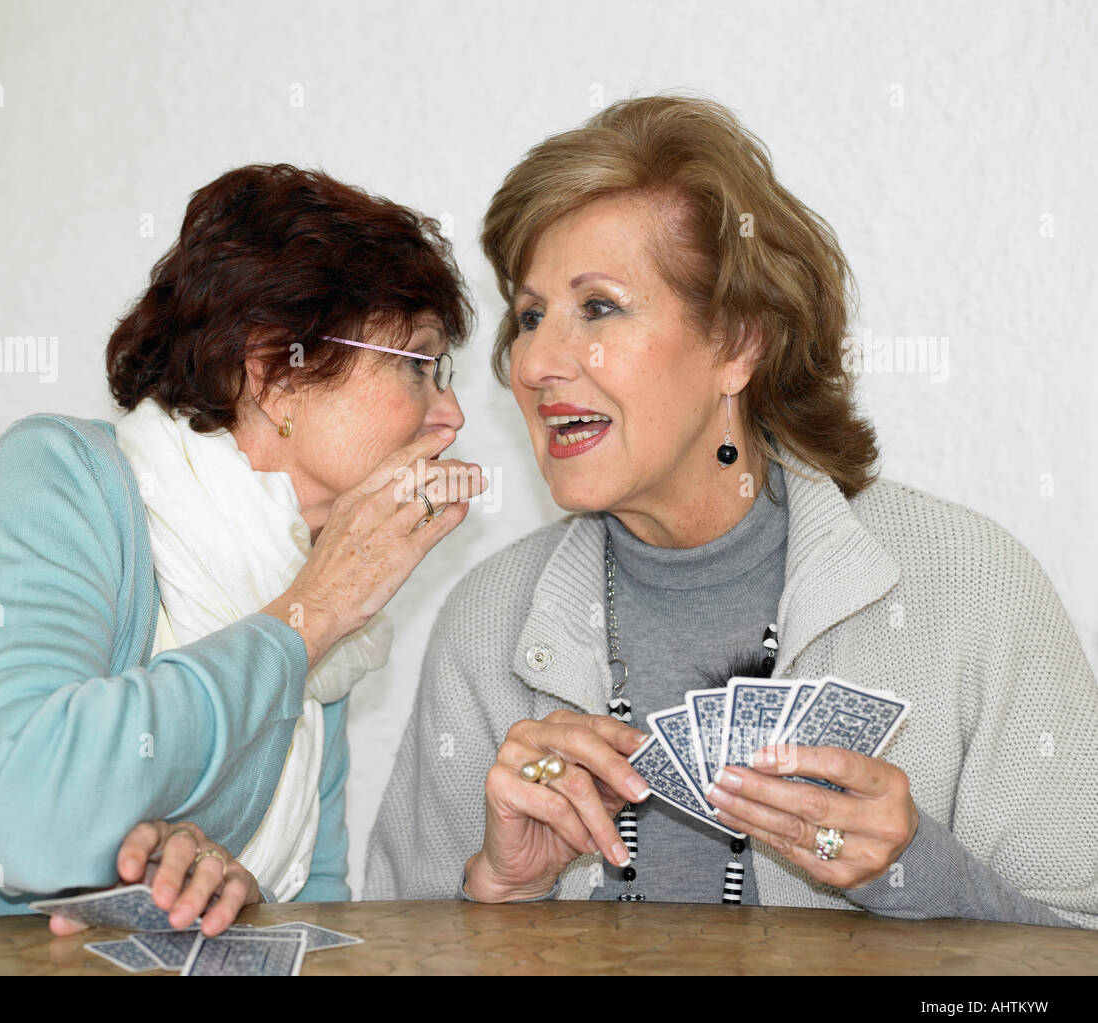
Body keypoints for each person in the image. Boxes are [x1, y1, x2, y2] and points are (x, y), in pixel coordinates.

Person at [365, 95, 1098, 928]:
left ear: (739, 343)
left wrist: (910, 871)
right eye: (530, 317)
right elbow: (397, 947)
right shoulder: (488, 619)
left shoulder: (973, 587)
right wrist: (503, 890)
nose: (533, 361)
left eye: (597, 306)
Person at [0, 163, 483, 934]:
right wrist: (312, 611)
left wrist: (232, 893)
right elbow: (29, 820)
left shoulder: (307, 594)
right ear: (274, 375)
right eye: (418, 364)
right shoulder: (53, 478)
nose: (450, 414)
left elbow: (309, 903)